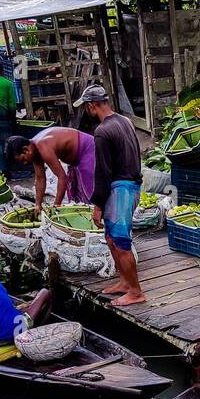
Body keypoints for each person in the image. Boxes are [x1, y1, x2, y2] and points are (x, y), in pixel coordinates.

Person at [79, 84, 146, 306]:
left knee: (120, 241)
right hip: (131, 184)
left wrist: (97, 204)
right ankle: (125, 282)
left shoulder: (102, 132)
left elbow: (103, 172)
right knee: (110, 237)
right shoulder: (125, 121)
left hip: (121, 189)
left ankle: (136, 292)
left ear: (91, 106)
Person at [5, 127, 95, 215]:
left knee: (92, 193)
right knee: (80, 195)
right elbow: (40, 179)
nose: (25, 163)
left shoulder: (43, 147)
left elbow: (62, 177)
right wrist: (38, 205)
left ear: (26, 150)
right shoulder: (34, 150)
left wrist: (56, 206)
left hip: (88, 149)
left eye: (23, 159)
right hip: (77, 159)